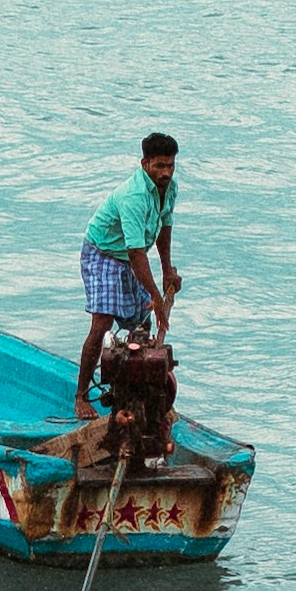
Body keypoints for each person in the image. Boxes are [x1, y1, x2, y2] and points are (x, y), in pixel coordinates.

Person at [74, 133, 180, 408]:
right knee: (102, 323)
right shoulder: (133, 197)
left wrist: (167, 270)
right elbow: (135, 253)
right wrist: (156, 296)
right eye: (159, 166)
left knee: (142, 322)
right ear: (145, 163)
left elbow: (164, 227)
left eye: (170, 166)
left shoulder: (169, 188)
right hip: (104, 254)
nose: (165, 173)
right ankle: (81, 397)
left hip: (133, 255)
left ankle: (134, 393)